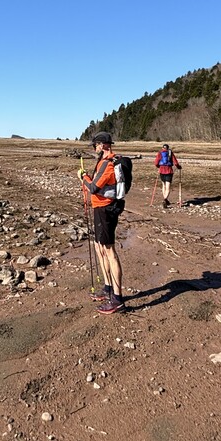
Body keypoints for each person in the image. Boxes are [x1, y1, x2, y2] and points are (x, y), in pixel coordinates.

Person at [79, 131, 125, 314]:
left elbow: (93, 187)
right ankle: (107, 288)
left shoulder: (108, 164)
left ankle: (118, 299)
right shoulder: (103, 162)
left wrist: (83, 176)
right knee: (100, 247)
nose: (95, 148)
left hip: (106, 210)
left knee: (109, 250)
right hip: (100, 209)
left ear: (103, 145)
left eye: (96, 145)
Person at [155, 143, 181, 208]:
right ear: (168, 148)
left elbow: (156, 162)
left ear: (162, 148)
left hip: (161, 170)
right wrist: (179, 167)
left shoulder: (160, 153)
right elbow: (175, 162)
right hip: (169, 171)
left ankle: (165, 199)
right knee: (168, 186)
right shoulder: (170, 153)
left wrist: (158, 166)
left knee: (163, 185)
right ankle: (165, 199)